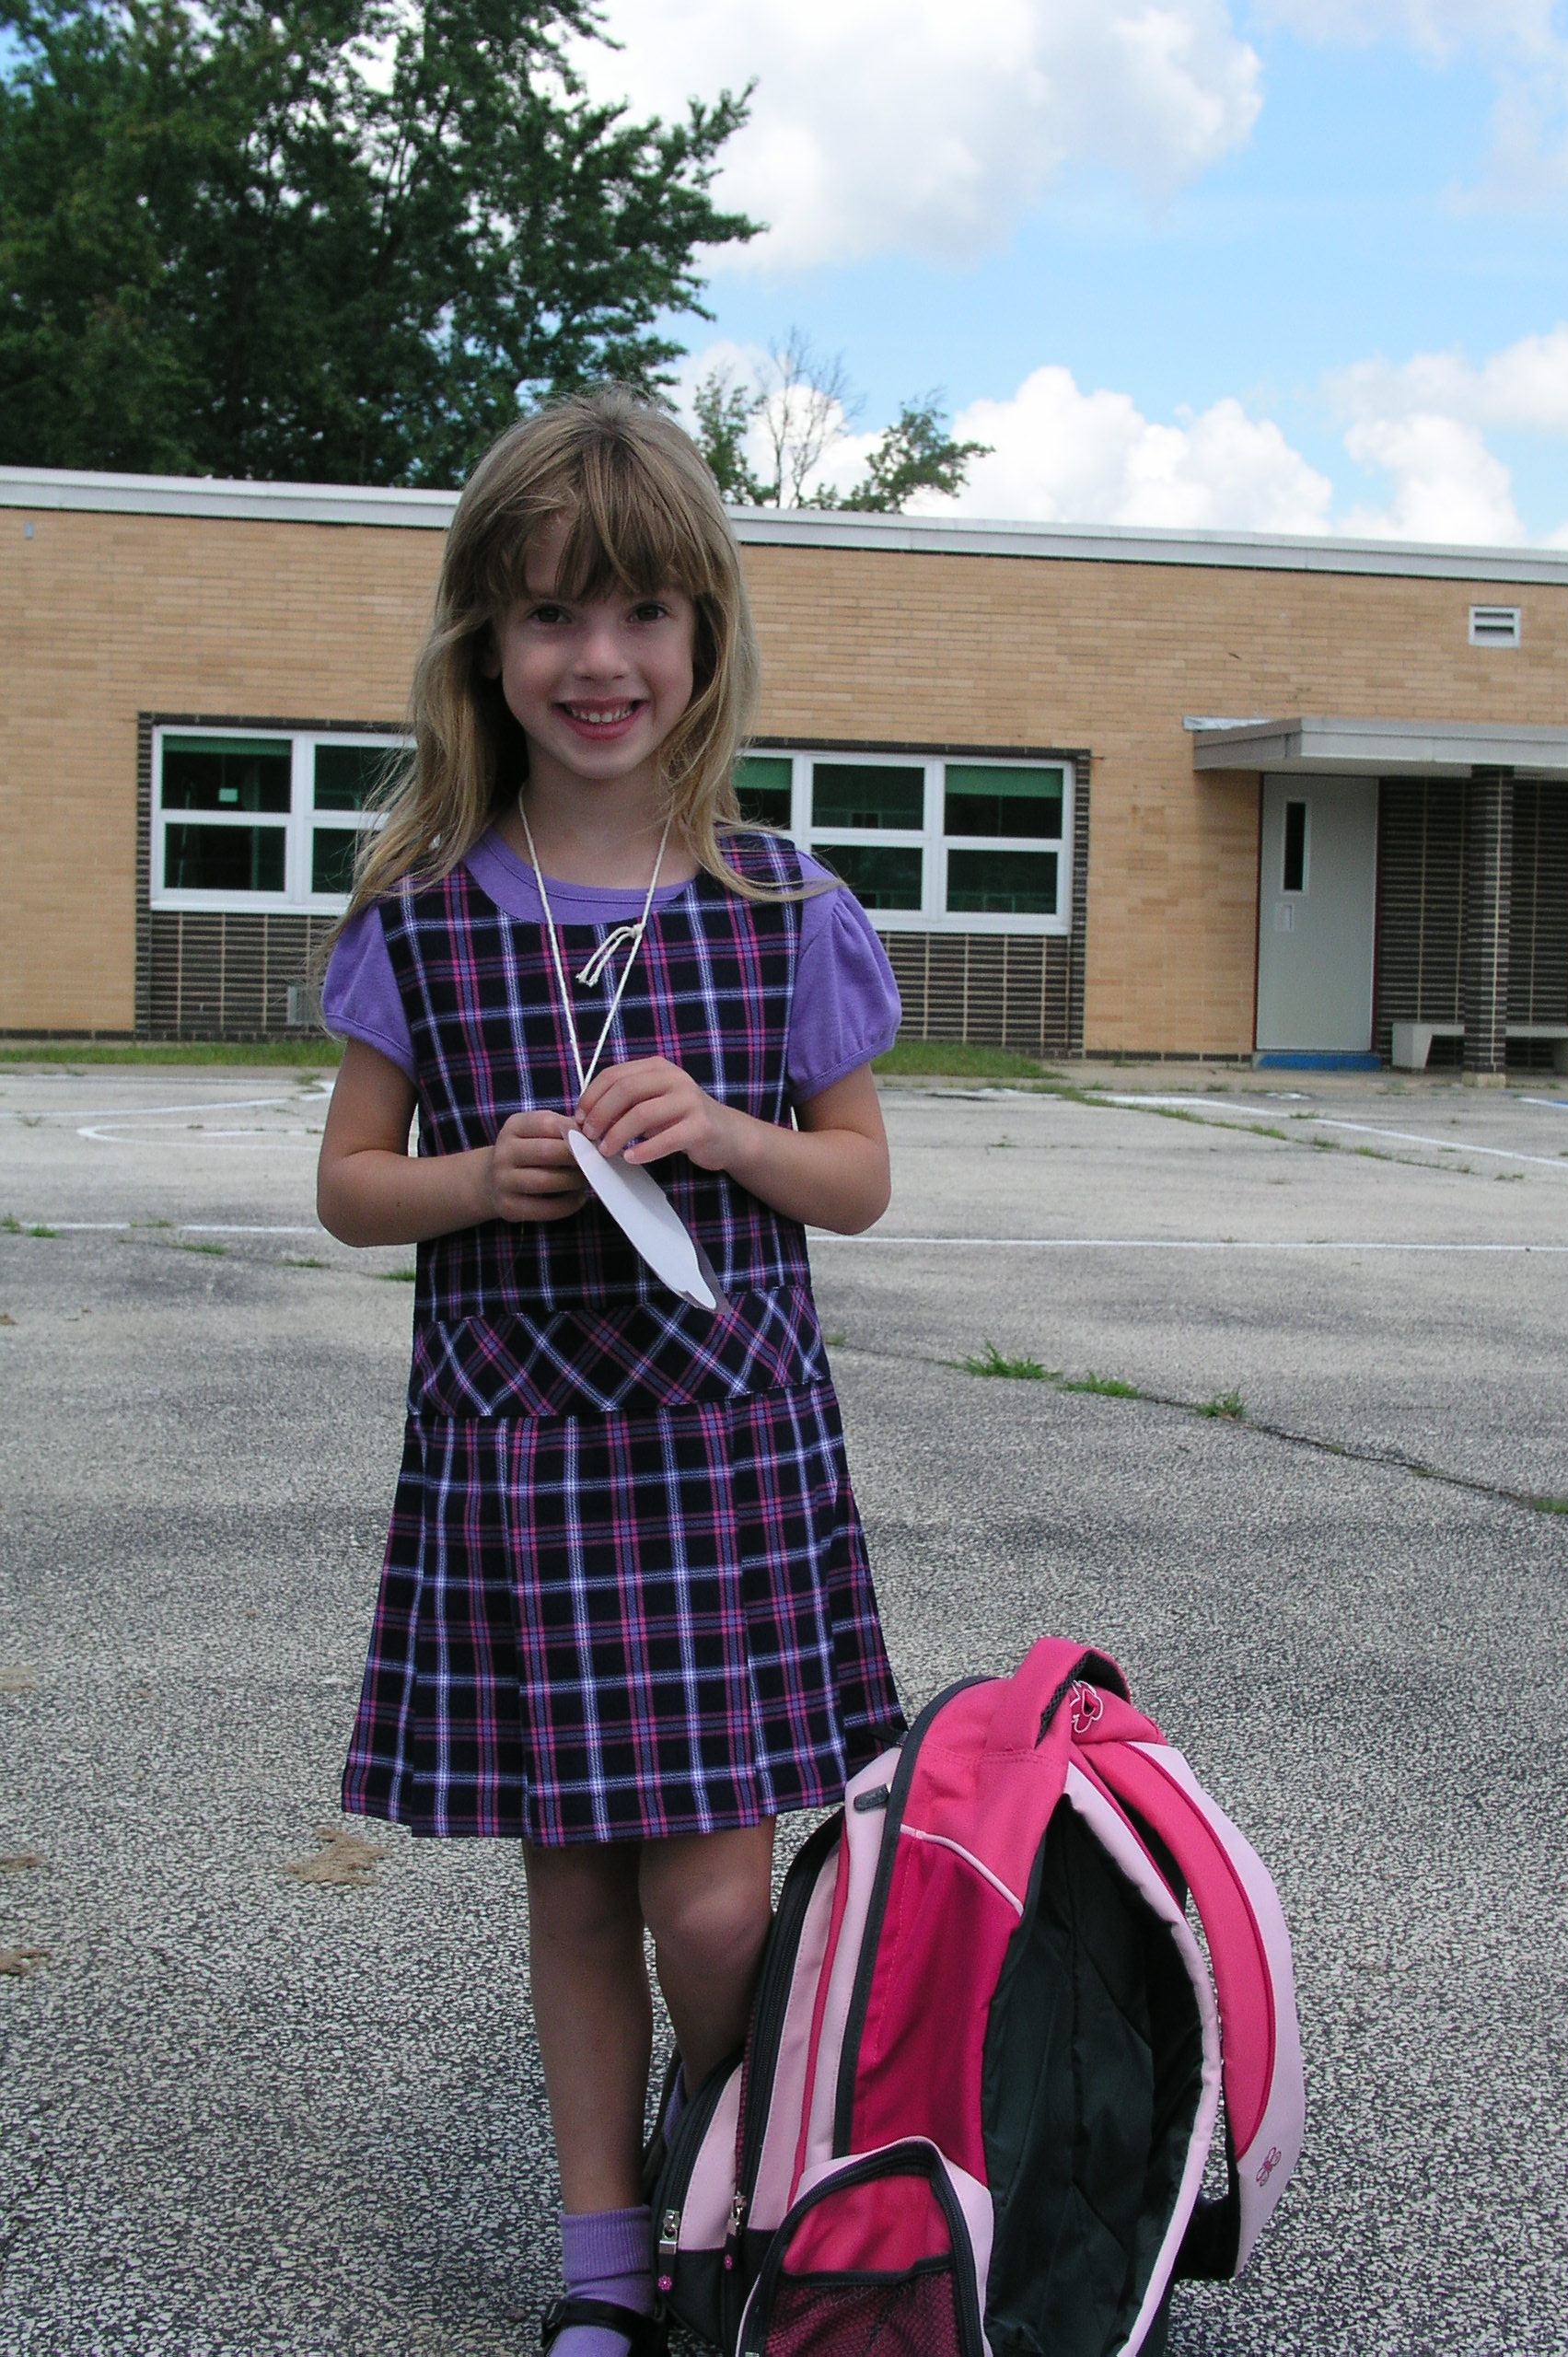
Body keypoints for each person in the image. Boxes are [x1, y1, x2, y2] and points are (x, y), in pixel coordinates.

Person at [315, 390, 905, 2357]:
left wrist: (731, 1133)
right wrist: (472, 1178)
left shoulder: (780, 904)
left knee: (715, 1908)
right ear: (485, 641)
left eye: (644, 613)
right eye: (555, 616)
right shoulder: (420, 907)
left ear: (705, 637)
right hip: (524, 1472)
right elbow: (345, 1189)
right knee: (576, 1890)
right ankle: (600, 2259)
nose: (600, 659)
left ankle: (721, 2133)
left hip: (726, 1471)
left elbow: (860, 1180)